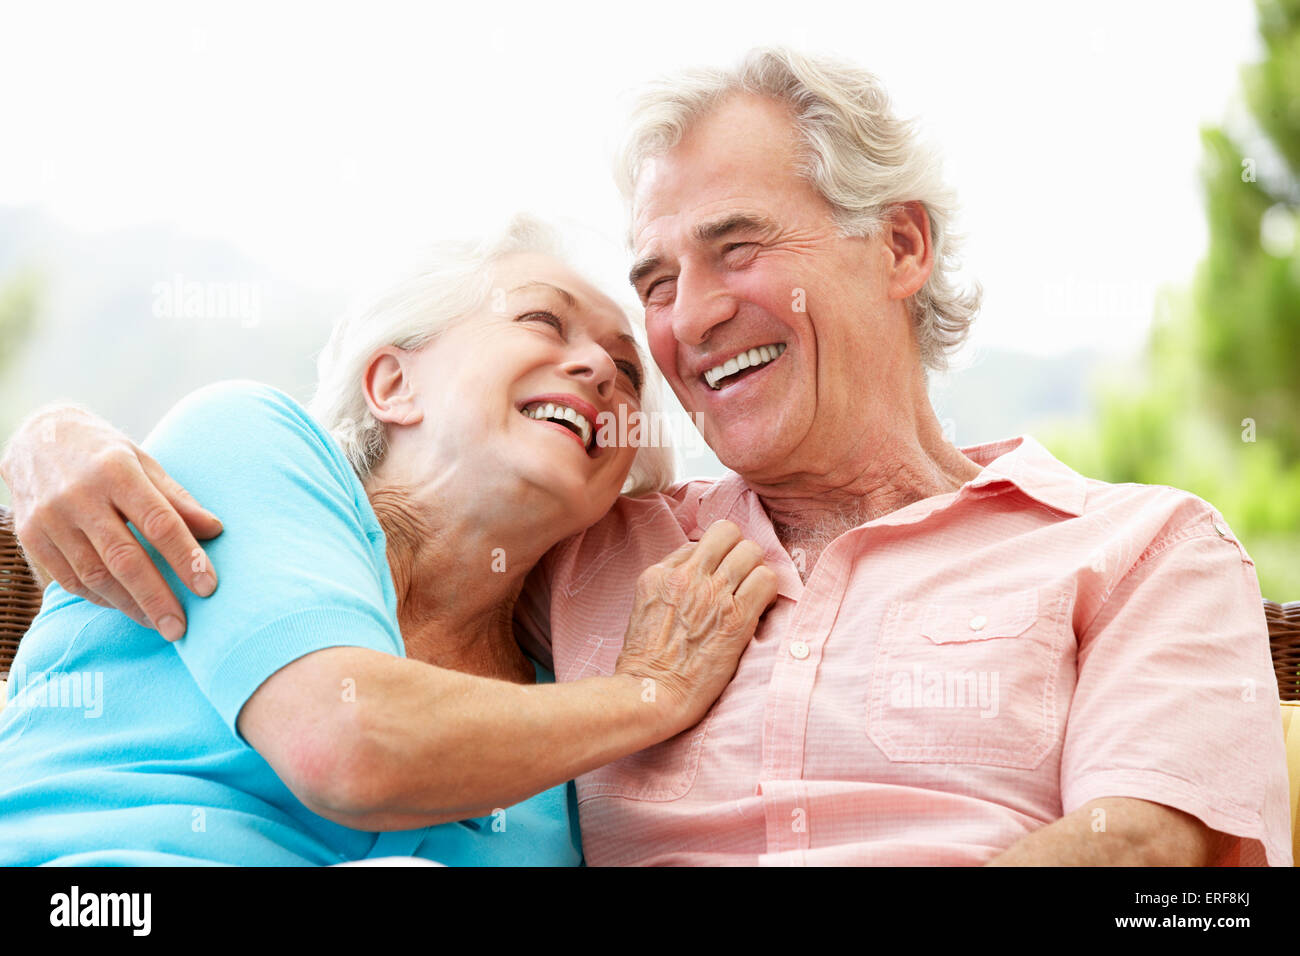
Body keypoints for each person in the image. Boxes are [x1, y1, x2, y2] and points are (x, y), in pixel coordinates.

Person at [4, 48, 1291, 867]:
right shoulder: (594, 555)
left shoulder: (1140, 546)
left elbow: (1155, 865)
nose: (672, 329)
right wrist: (55, 439)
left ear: (899, 247)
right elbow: (363, 622)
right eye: (654, 281)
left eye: (737, 250)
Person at [0, 216, 777, 865]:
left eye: (626, 371)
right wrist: (653, 693)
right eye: (542, 320)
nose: (598, 370)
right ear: (392, 385)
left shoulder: (565, 705)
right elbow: (347, 746)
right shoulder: (251, 444)